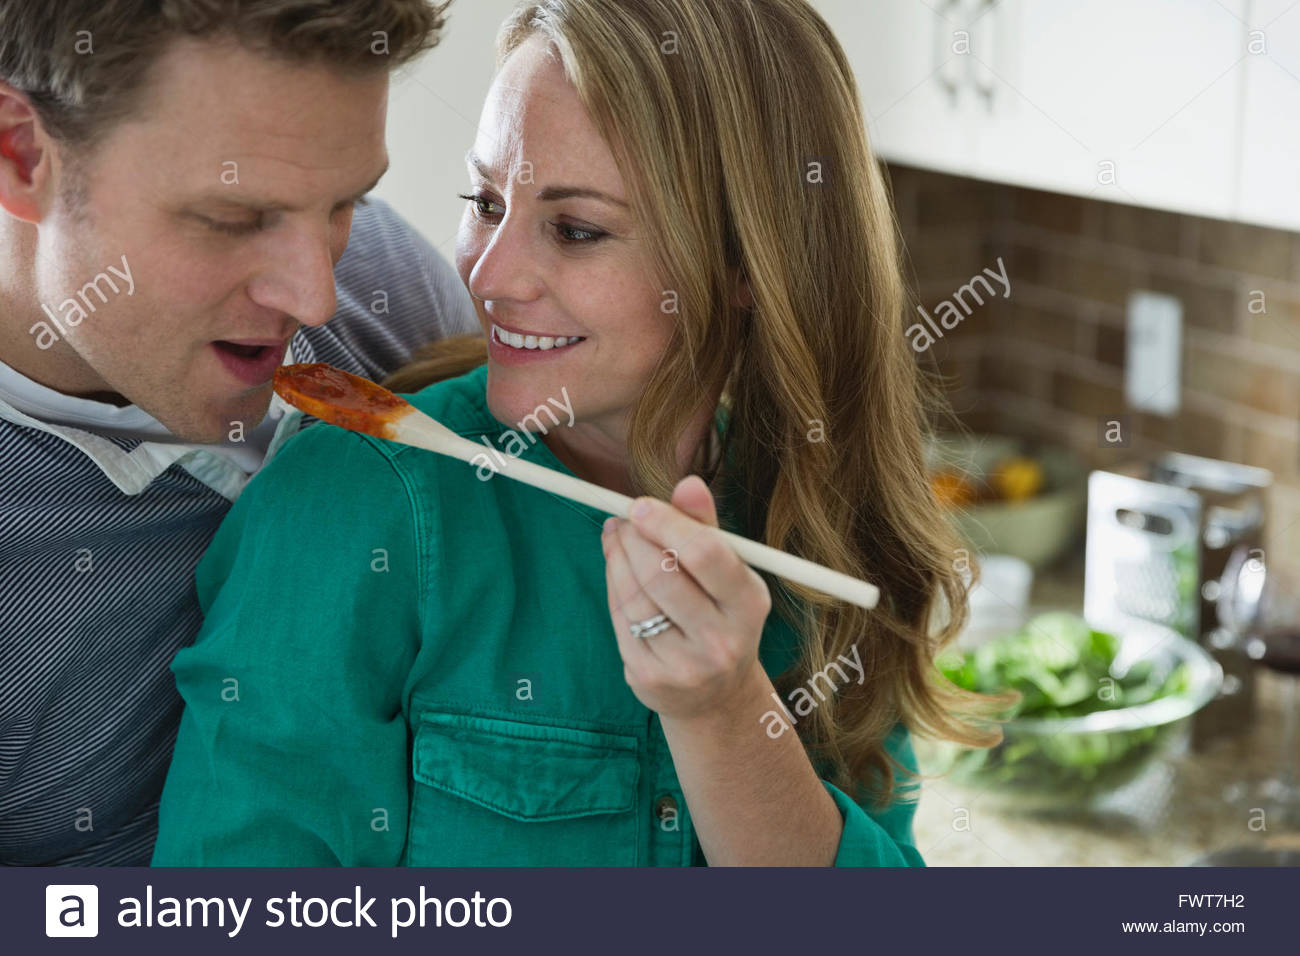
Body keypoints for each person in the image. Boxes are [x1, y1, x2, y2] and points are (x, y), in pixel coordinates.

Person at [153, 0, 1011, 867]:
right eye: (484, 200)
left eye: (575, 229)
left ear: (748, 263)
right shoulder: (351, 508)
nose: (487, 277)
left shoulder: (815, 526)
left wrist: (723, 717)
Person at [0, 0, 476, 866]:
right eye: (233, 220)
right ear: (22, 153)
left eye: (346, 202)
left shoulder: (395, 297)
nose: (316, 298)